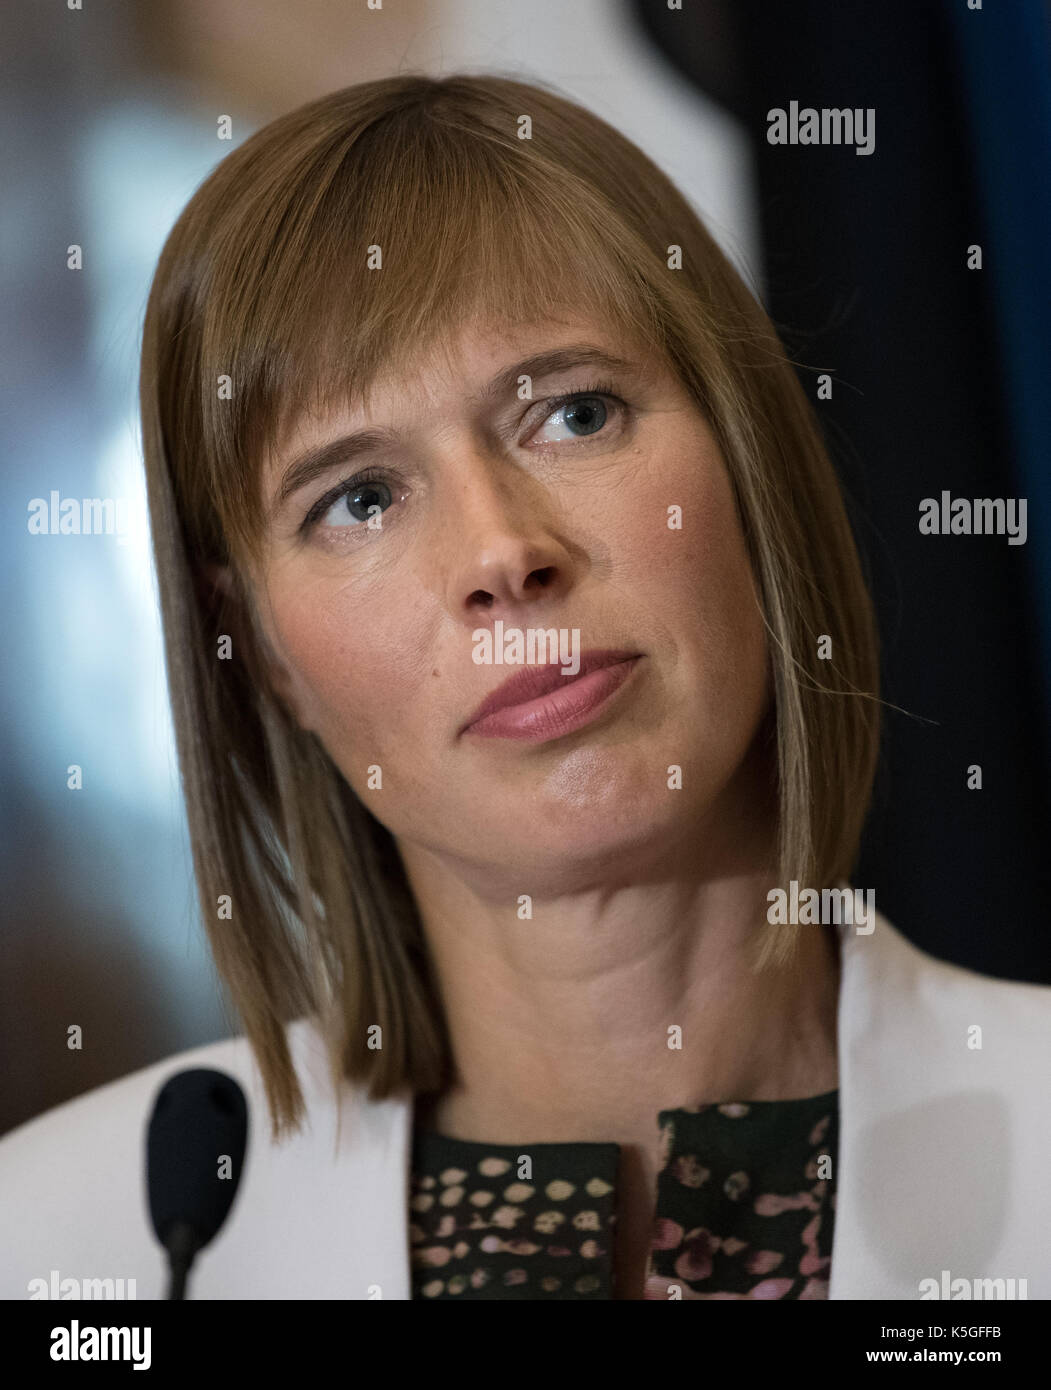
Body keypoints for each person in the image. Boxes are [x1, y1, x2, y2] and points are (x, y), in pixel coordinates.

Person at [1, 72, 1048, 1302]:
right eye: (361, 499)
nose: (502, 553)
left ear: (750, 457)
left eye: (575, 413)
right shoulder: (64, 1252)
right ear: (264, 653)